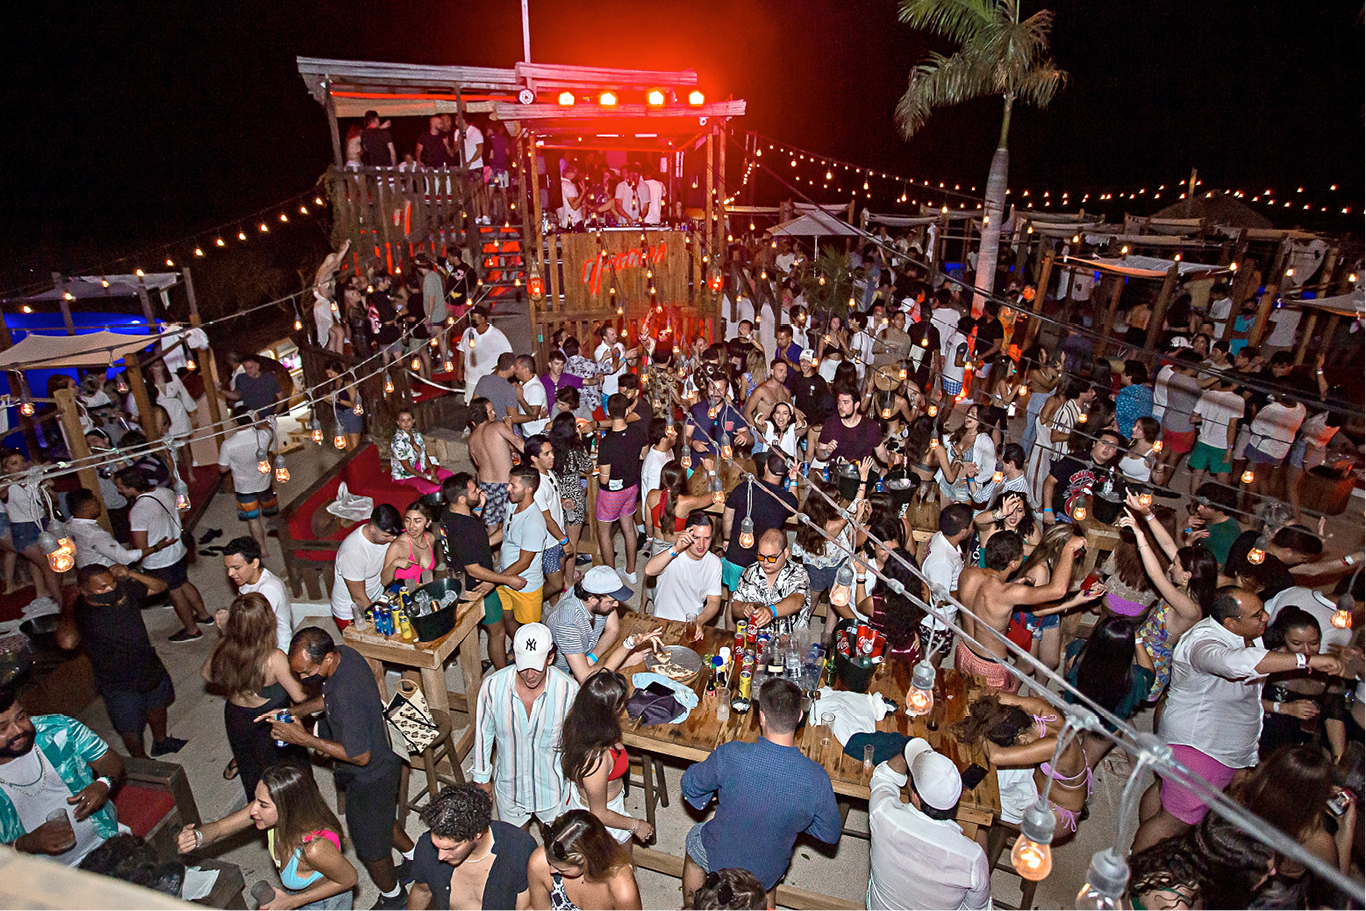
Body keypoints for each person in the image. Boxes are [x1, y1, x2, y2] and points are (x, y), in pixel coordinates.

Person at [1132, 588, 1343, 851]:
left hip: (1221, 745)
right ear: (1230, 622)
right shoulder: (1203, 643)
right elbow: (1233, 663)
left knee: (1166, 796)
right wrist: (1306, 660)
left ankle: (1153, 854)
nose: (1266, 617)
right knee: (1173, 820)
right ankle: (1137, 874)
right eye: (1256, 615)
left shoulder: (1247, 634)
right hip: (1201, 746)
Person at [268, 628, 412, 908]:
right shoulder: (345, 656)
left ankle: (394, 897)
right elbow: (327, 699)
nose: (302, 679)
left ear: (327, 659)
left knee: (370, 849)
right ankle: (415, 857)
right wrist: (296, 712)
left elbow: (360, 757)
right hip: (385, 759)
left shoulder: (347, 696)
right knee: (381, 819)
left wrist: (303, 738)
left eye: (306, 673)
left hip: (371, 776)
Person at [680, 678, 840, 905]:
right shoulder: (817, 779)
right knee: (769, 872)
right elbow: (830, 833)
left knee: (695, 839)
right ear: (799, 717)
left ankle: (692, 906)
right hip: (767, 871)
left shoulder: (731, 754)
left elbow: (690, 785)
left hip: (720, 859)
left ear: (762, 716)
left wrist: (710, 795)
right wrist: (796, 817)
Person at [179, 764, 357, 910]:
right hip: (298, 895)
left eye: (262, 805)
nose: (253, 809)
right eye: (256, 800)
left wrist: (292, 902)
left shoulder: (315, 848)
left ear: (288, 809)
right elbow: (219, 828)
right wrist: (198, 836)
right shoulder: (269, 817)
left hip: (326, 902)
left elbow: (349, 879)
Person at [53, 564, 184, 759]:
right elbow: (67, 643)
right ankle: (141, 760)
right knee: (130, 725)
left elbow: (160, 586)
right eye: (102, 587)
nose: (110, 589)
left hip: (148, 665)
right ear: (84, 591)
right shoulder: (80, 611)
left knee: (158, 704)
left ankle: (161, 741)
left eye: (111, 583)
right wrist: (68, 605)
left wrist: (130, 573)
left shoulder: (123, 591)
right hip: (118, 681)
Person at [203, 591, 310, 802]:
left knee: (252, 771)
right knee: (289, 778)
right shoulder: (273, 658)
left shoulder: (225, 648)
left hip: (238, 717)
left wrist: (225, 636)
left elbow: (207, 674)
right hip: (269, 721)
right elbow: (299, 697)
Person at [472, 623, 579, 829]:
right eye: (524, 665)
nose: (530, 675)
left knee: (556, 850)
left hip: (552, 790)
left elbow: (575, 743)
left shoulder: (568, 690)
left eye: (536, 666)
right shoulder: (492, 687)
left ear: (550, 658)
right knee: (515, 849)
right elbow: (483, 733)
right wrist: (482, 779)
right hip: (510, 790)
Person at [0, 689, 125, 866]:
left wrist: (103, 783)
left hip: (107, 842)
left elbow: (106, 758)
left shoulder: (56, 729)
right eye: (2, 728)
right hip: (47, 876)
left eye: (20, 717)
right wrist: (25, 844)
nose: (18, 730)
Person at [867, 737, 990, 910]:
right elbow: (976, 908)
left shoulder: (883, 815)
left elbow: (883, 777)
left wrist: (907, 752)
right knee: (982, 830)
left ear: (916, 798)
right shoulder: (973, 858)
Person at [956, 531, 1085, 693]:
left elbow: (986, 592)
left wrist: (1015, 585)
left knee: (963, 697)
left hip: (964, 651)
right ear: (1014, 564)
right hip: (989, 664)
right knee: (988, 711)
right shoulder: (1007, 593)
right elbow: (1058, 590)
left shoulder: (967, 573)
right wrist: (1068, 548)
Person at [558, 657, 666, 846]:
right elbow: (599, 813)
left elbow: (596, 677)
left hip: (604, 798)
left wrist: (629, 648)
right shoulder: (596, 759)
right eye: (621, 704)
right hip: (604, 816)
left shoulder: (578, 716)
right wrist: (635, 824)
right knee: (620, 866)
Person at [116, 467, 211, 642]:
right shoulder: (165, 492)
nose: (119, 490)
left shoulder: (138, 510)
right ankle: (204, 615)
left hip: (161, 559)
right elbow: (181, 514)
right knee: (184, 582)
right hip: (179, 550)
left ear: (131, 487)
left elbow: (140, 545)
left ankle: (192, 630)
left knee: (175, 592)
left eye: (121, 487)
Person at [407, 783, 537, 911]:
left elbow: (525, 906)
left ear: (477, 833)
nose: (440, 856)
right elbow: (422, 890)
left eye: (451, 849)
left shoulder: (519, 849)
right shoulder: (427, 847)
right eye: (437, 846)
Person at [526, 810, 642, 910]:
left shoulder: (621, 886)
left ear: (586, 862)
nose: (551, 871)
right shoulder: (539, 862)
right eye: (551, 863)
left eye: (561, 869)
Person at [720, 453, 796, 590]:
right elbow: (794, 503)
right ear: (786, 474)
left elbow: (727, 516)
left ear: (765, 466)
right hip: (763, 564)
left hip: (737, 558)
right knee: (756, 604)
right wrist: (794, 479)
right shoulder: (786, 500)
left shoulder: (743, 488)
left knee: (734, 601)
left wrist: (726, 539)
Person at [544, 567, 632, 683]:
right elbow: (584, 677)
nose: (617, 604)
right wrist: (623, 662)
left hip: (587, 657)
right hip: (565, 675)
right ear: (592, 599)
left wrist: (592, 658)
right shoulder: (567, 623)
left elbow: (613, 629)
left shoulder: (598, 599)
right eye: (611, 601)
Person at [596, 394, 645, 584]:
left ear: (608, 412)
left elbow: (605, 477)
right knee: (628, 528)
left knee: (603, 533)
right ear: (627, 411)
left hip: (611, 493)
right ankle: (631, 571)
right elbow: (643, 455)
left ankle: (610, 576)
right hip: (631, 487)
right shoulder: (638, 433)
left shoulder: (607, 443)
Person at [330, 505, 401, 632]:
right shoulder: (353, 553)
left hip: (377, 598)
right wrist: (380, 620)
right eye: (386, 536)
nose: (391, 539)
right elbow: (359, 598)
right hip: (352, 613)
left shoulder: (387, 537)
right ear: (373, 529)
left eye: (394, 536)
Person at [729, 528, 812, 636]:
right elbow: (735, 606)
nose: (765, 562)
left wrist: (771, 611)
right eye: (761, 556)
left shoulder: (798, 572)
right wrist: (745, 608)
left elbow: (797, 601)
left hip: (790, 639)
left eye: (772, 558)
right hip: (758, 636)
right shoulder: (750, 572)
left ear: (785, 553)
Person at [66, 486, 167, 569]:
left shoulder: (68, 526)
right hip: (106, 574)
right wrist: (156, 547)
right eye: (95, 501)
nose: (99, 503)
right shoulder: (95, 534)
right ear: (87, 506)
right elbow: (125, 558)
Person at [497, 466, 547, 631]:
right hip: (506, 578)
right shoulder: (513, 504)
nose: (507, 488)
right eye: (509, 483)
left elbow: (524, 562)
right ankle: (517, 652)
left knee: (530, 631)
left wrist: (494, 580)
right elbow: (506, 532)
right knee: (508, 619)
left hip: (525, 585)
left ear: (528, 489)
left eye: (513, 485)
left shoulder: (534, 522)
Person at [224, 535, 293, 653]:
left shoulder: (269, 590)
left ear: (254, 563)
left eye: (236, 567)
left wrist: (227, 625)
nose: (230, 573)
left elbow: (253, 631)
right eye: (228, 568)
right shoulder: (244, 580)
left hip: (276, 650)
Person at [524, 435, 570, 603]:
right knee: (556, 583)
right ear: (534, 458)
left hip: (557, 536)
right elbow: (547, 519)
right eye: (547, 454)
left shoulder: (548, 472)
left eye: (552, 452)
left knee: (561, 571)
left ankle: (554, 605)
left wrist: (562, 501)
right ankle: (532, 602)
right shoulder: (536, 484)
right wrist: (564, 541)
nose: (552, 457)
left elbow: (551, 500)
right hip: (549, 542)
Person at [467, 396, 525, 531]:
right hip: (506, 485)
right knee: (511, 526)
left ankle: (492, 552)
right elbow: (519, 444)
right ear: (483, 414)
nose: (495, 414)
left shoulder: (472, 438)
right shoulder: (498, 426)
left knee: (492, 528)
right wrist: (535, 453)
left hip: (486, 486)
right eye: (491, 411)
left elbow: (477, 462)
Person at [1042, 429, 1122, 523]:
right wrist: (1047, 509)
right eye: (1104, 443)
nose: (1107, 448)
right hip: (1061, 515)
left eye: (1113, 446)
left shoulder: (1110, 472)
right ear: (1094, 444)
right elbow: (1049, 481)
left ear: (1116, 452)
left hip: (1085, 522)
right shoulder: (1074, 460)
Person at [391, 410, 454, 496]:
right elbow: (407, 468)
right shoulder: (398, 441)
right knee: (435, 487)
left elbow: (423, 453)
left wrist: (432, 469)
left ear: (413, 421)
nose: (406, 423)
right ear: (398, 423)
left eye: (408, 420)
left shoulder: (416, 434)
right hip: (404, 476)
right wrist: (428, 477)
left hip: (417, 467)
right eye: (402, 421)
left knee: (450, 476)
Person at [459, 308, 513, 404]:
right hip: (471, 379)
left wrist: (497, 370)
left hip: (489, 381)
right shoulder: (468, 332)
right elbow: (462, 351)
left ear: (483, 318)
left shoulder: (497, 334)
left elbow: (508, 355)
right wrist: (459, 369)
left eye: (475, 318)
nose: (473, 321)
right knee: (472, 406)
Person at [381, 501, 438, 589]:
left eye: (417, 521)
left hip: (423, 594)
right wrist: (394, 564)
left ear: (428, 522)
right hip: (402, 596)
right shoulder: (398, 545)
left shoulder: (430, 539)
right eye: (407, 520)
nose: (411, 526)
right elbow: (384, 582)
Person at [1189, 482, 1242, 566]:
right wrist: (1188, 528)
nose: (1198, 508)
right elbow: (1188, 531)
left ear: (1219, 509)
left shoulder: (1225, 536)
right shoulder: (1206, 516)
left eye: (1204, 506)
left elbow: (1211, 569)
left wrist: (1188, 544)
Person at [223, 354, 284, 419]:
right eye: (246, 368)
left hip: (267, 417)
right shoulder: (241, 378)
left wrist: (273, 415)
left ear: (257, 366)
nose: (248, 371)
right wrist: (221, 391)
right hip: (251, 418)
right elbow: (236, 395)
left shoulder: (270, 378)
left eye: (250, 368)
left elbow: (281, 399)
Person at [1113, 359, 1153, 437]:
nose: (1121, 375)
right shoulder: (1148, 392)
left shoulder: (1125, 394)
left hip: (1123, 433)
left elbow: (1115, 414)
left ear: (1129, 377)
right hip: (1140, 433)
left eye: (1123, 373)